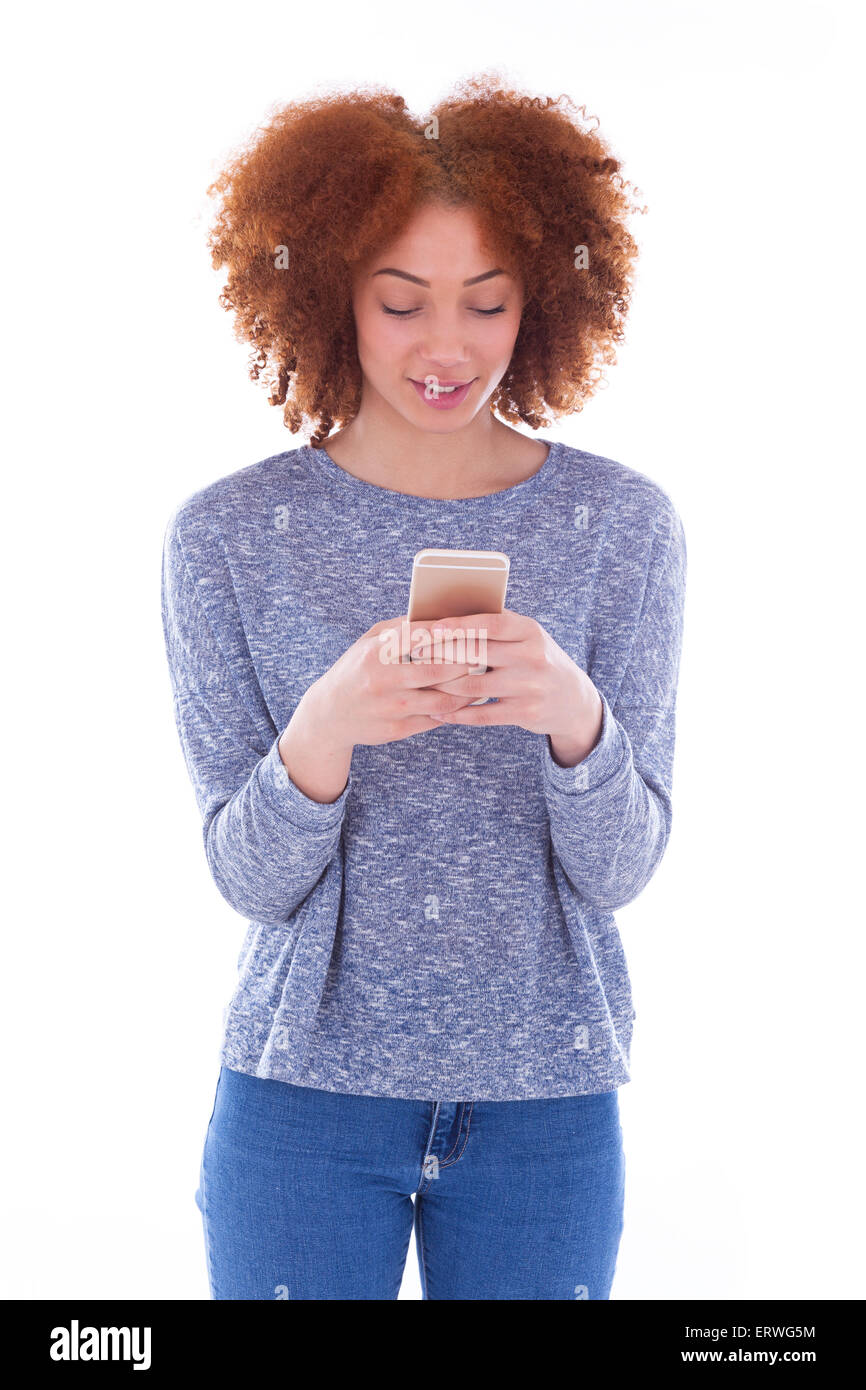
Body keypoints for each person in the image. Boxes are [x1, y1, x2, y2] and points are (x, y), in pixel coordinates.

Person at [161, 75, 687, 1300]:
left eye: (486, 302)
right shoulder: (229, 536)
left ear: (542, 302)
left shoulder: (625, 527)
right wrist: (321, 735)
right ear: (329, 293)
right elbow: (247, 878)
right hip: (298, 1104)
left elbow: (622, 871)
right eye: (400, 302)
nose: (445, 347)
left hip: (546, 1104)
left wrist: (575, 719)